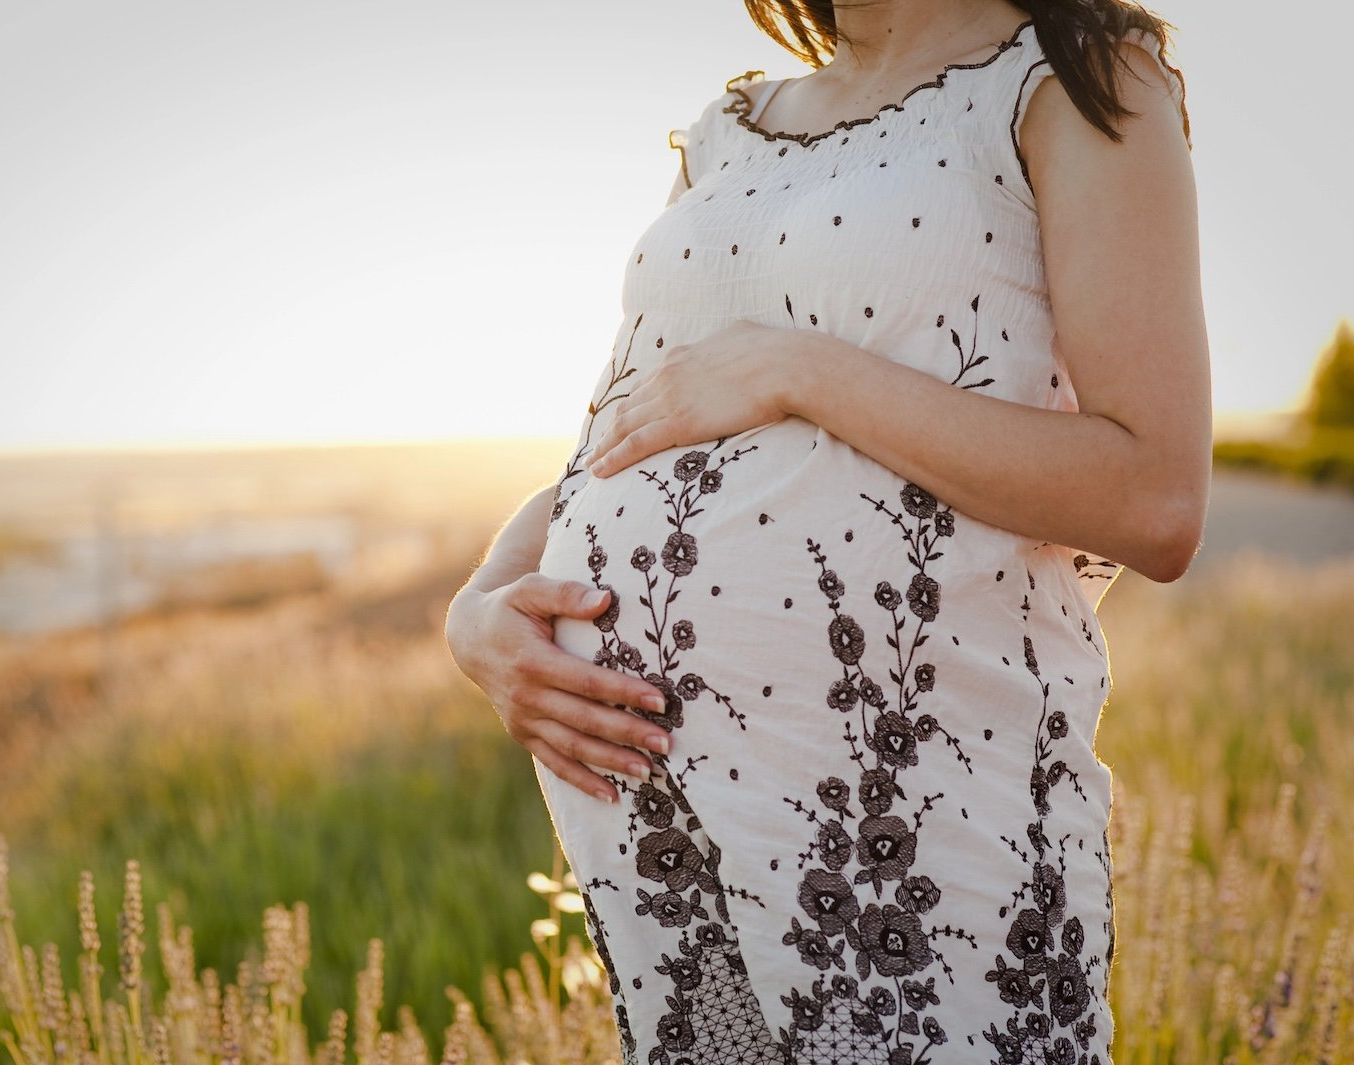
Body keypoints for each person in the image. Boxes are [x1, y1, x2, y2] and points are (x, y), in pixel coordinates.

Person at [445, 0, 1209, 1059]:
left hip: (920, 831)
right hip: (653, 833)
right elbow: (616, 442)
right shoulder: (727, 133)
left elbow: (1154, 498)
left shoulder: (1072, 77)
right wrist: (476, 612)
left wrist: (794, 367)